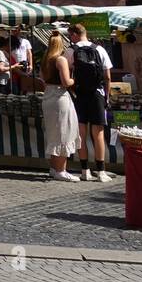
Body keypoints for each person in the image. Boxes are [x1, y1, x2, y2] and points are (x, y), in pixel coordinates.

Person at [67, 23, 114, 182]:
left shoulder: (71, 51)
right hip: (97, 94)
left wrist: (74, 91)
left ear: (74, 34)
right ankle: (101, 172)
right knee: (98, 133)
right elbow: (107, 76)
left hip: (80, 94)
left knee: (81, 134)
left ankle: (85, 170)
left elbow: (67, 77)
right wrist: (106, 96)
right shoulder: (100, 49)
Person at [41, 33, 81, 182]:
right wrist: (75, 79)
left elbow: (43, 79)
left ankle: (53, 167)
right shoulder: (60, 59)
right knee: (64, 132)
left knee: (53, 132)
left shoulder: (45, 60)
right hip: (59, 96)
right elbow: (66, 82)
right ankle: (60, 170)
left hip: (48, 95)